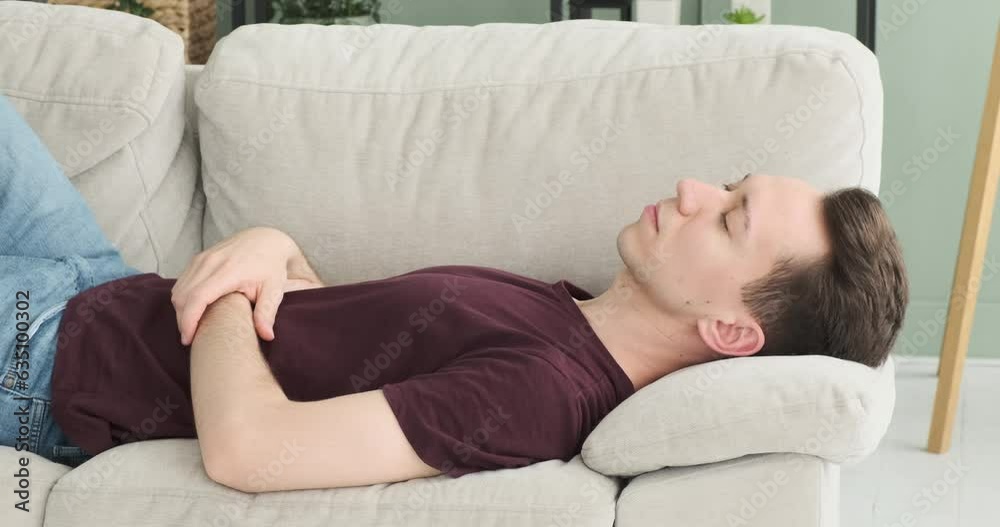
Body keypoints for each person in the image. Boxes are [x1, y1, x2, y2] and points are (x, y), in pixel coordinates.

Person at [0, 93, 909, 492]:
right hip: (103, 286)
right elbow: (322, 335)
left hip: (51, 362)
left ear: (731, 331)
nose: (694, 191)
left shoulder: (541, 393)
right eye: (731, 182)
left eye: (731, 217)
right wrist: (272, 249)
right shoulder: (573, 311)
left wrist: (235, 285)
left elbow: (251, 447)